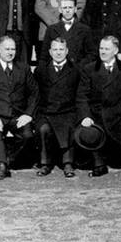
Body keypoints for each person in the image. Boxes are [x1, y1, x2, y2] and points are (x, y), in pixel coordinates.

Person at [79, 36, 121, 178]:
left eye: (107, 49)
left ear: (115, 51)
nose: (102, 51)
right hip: (98, 113)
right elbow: (82, 96)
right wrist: (85, 116)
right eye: (101, 48)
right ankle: (99, 165)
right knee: (91, 131)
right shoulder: (89, 69)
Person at [0, 35, 38, 178]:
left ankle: (9, 159)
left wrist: (28, 114)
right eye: (7, 49)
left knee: (28, 135)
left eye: (13, 49)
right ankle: (1, 166)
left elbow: (34, 93)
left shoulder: (23, 69)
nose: (10, 52)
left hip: (18, 116)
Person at [31, 36, 87, 177]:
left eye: (61, 49)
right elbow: (36, 94)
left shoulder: (75, 70)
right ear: (50, 52)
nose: (58, 52)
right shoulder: (41, 70)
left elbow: (79, 95)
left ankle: (68, 163)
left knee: (68, 125)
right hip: (47, 111)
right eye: (55, 49)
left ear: (67, 51)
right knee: (43, 128)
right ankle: (45, 163)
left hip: (67, 110)